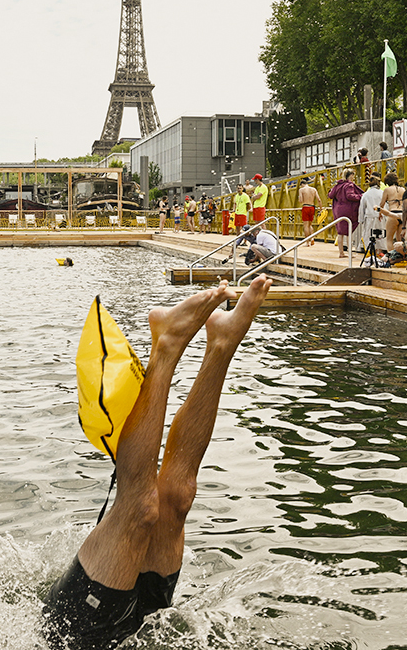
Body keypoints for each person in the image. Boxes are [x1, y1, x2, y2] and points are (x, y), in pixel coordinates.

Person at [43, 278, 271, 650]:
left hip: (72, 639)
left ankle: (165, 345)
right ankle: (222, 343)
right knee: (177, 497)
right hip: (139, 631)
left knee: (139, 507)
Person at [328, 169, 363, 258]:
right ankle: (350, 253)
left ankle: (341, 253)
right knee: (348, 231)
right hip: (347, 209)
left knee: (340, 232)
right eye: (353, 175)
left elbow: (331, 195)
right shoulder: (349, 185)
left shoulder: (338, 185)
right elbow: (350, 196)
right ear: (350, 175)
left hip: (338, 210)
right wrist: (361, 196)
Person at [358, 172, 384, 254]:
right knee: (380, 235)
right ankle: (379, 252)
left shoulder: (366, 194)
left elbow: (362, 207)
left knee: (368, 235)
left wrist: (361, 219)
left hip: (369, 217)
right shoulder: (382, 193)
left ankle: (370, 252)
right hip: (380, 217)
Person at [377, 172, 404, 249]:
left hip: (393, 213)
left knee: (389, 239)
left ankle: (390, 257)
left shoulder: (387, 190)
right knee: (400, 239)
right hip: (402, 214)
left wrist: (380, 214)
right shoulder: (402, 189)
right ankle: (401, 256)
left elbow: (382, 204)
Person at [297, 177, 319, 243]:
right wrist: (321, 208)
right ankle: (312, 238)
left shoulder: (301, 190)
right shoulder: (314, 189)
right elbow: (319, 200)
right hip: (312, 207)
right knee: (310, 225)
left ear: (302, 184)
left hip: (306, 207)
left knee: (306, 225)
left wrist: (300, 199)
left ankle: (307, 242)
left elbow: (300, 200)